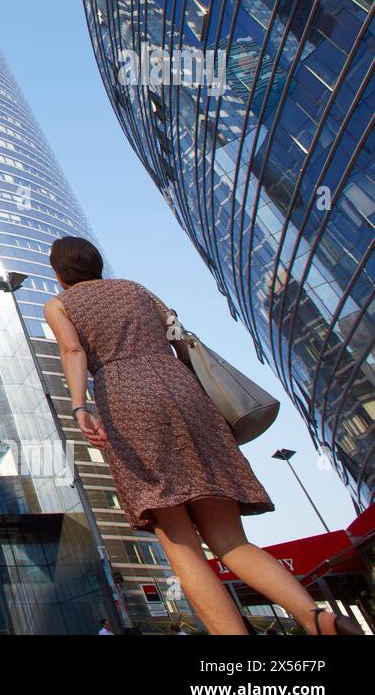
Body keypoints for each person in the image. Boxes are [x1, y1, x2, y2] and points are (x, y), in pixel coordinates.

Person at [45, 235, 359, 636]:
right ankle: (316, 617)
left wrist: (79, 405)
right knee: (230, 539)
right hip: (187, 394)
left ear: (59, 273)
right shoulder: (137, 290)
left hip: (128, 403)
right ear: (96, 263)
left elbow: (73, 351)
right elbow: (180, 338)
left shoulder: (60, 304)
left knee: (181, 546)